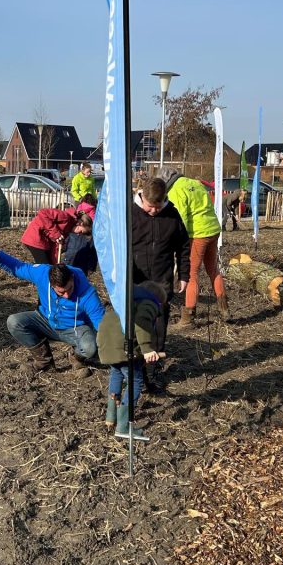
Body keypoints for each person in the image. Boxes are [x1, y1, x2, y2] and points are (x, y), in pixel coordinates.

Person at [0, 242, 104, 378]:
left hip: (75, 329)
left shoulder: (87, 293)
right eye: (61, 292)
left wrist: (115, 344)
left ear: (72, 278)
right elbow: (18, 267)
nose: (67, 295)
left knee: (90, 347)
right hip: (46, 321)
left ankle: (77, 358)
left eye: (70, 289)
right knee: (14, 322)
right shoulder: (42, 274)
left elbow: (101, 323)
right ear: (51, 284)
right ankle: (45, 362)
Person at [157, 168, 230, 323]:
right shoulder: (194, 183)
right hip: (213, 229)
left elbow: (180, 218)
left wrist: (174, 240)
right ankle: (224, 309)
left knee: (191, 274)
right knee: (213, 270)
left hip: (198, 233)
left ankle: (188, 316)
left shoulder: (176, 190)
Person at [97, 282, 165, 441]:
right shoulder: (148, 303)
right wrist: (147, 349)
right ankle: (123, 426)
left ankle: (111, 416)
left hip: (106, 342)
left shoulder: (126, 300)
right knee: (135, 380)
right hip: (122, 346)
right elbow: (142, 321)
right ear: (158, 301)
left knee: (116, 373)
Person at [131, 177, 189, 357]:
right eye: (150, 206)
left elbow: (184, 246)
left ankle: (157, 353)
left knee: (160, 314)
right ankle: (136, 351)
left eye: (158, 207)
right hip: (135, 275)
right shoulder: (129, 213)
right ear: (142, 198)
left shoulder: (172, 215)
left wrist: (184, 275)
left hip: (161, 275)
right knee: (135, 314)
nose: (154, 211)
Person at [21, 208, 92, 264]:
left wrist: (55, 264)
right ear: (80, 223)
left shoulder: (68, 229)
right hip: (35, 237)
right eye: (81, 231)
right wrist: (56, 234)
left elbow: (56, 246)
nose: (78, 234)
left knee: (49, 266)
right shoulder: (65, 217)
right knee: (45, 267)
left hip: (44, 242)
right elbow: (43, 213)